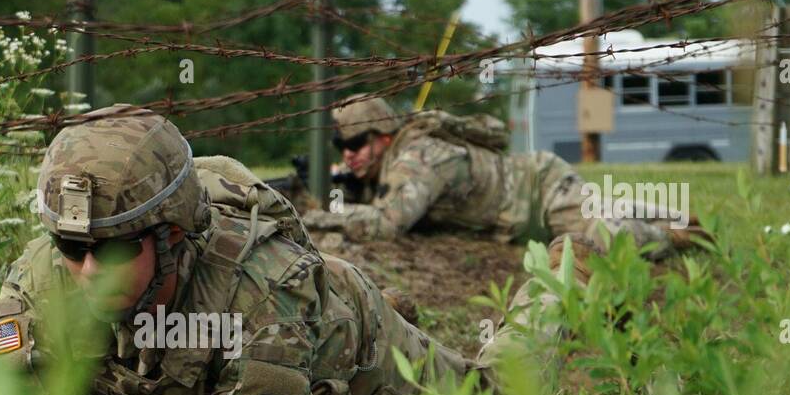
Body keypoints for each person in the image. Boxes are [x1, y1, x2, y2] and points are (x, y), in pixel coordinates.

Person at [0, 105, 499, 395]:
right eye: (72, 247)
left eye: (115, 249)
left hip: (350, 351)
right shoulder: (39, 278)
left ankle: (546, 302)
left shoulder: (261, 295)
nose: (89, 270)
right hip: (211, 393)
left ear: (172, 236)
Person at [299, 96, 710, 256]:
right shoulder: (392, 161)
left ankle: (677, 237)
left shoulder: (419, 157)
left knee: (604, 238)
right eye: (342, 148)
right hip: (526, 202)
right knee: (601, 207)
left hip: (537, 193)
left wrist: (313, 219)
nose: (348, 155)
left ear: (384, 137)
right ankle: (668, 214)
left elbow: (388, 223)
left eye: (355, 144)